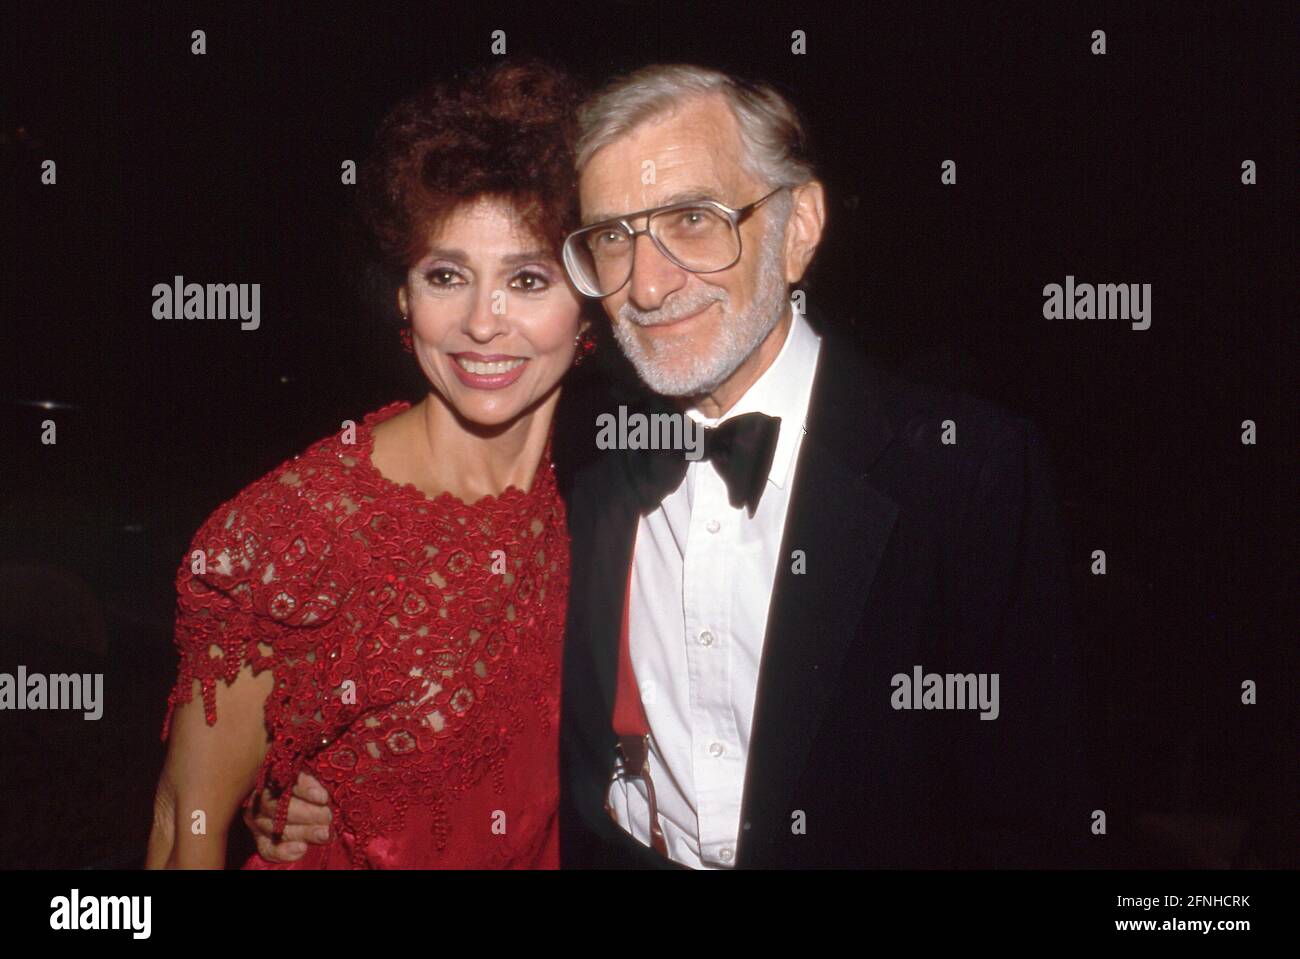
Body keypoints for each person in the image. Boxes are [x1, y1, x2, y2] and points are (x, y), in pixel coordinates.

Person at [252, 63, 1087, 870]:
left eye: (693, 219)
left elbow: (1028, 819)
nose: (648, 285)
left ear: (797, 228)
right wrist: (314, 784)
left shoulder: (966, 474)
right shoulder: (574, 460)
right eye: (614, 237)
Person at [145, 59, 590, 868]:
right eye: (446, 275)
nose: (482, 323)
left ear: (588, 304)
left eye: (528, 279)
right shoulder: (290, 533)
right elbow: (187, 830)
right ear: (402, 296)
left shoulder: (608, 504)